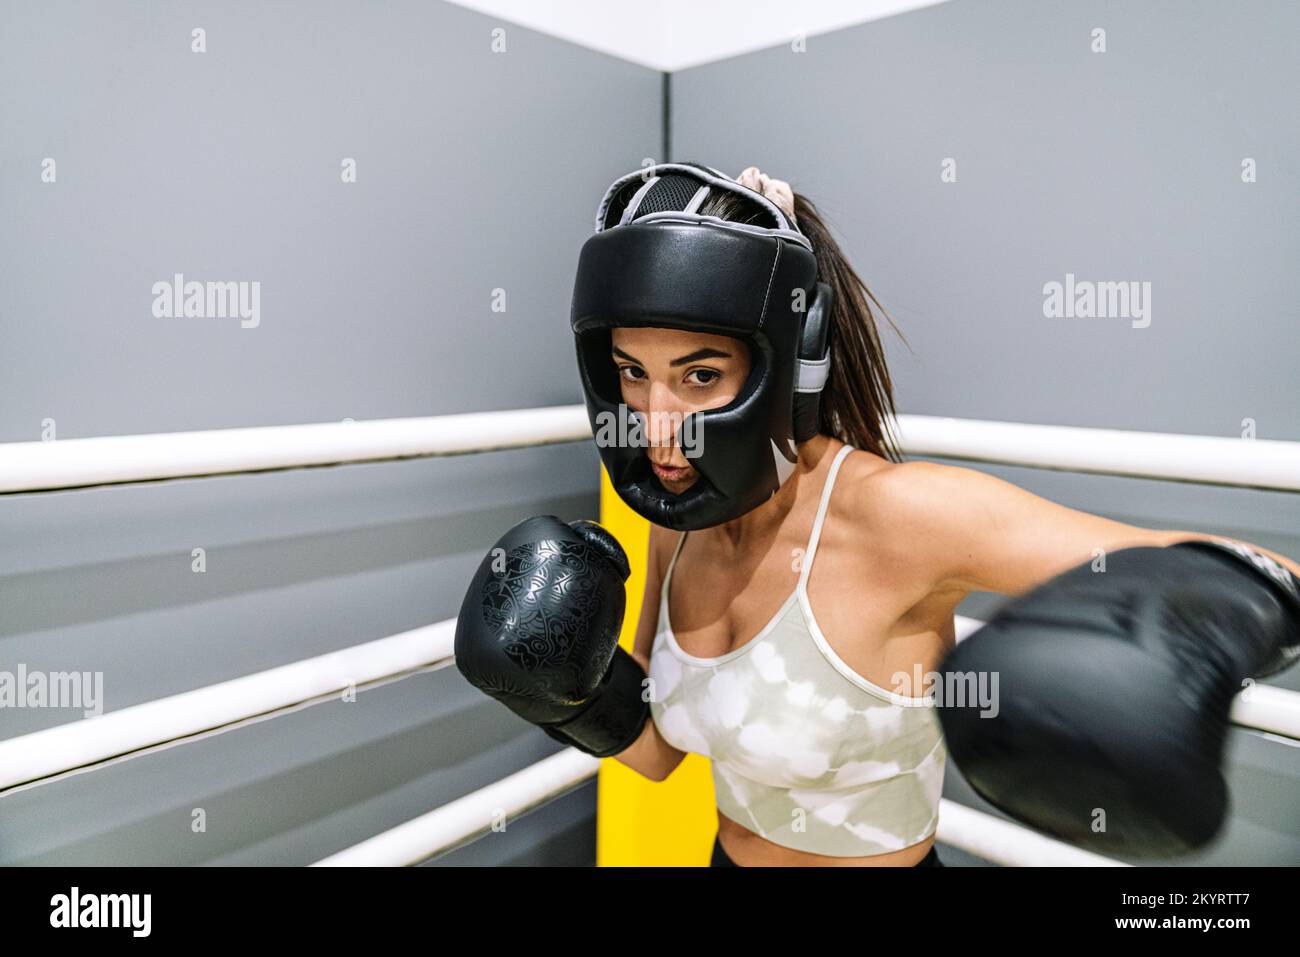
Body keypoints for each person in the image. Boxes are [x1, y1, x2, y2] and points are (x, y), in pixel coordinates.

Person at [455, 163, 1300, 867]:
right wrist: (569, 694)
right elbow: (661, 753)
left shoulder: (899, 516)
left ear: (789, 366)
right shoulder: (677, 514)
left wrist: (1187, 643)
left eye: (701, 374)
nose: (656, 422)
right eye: (631, 373)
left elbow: (1243, 571)